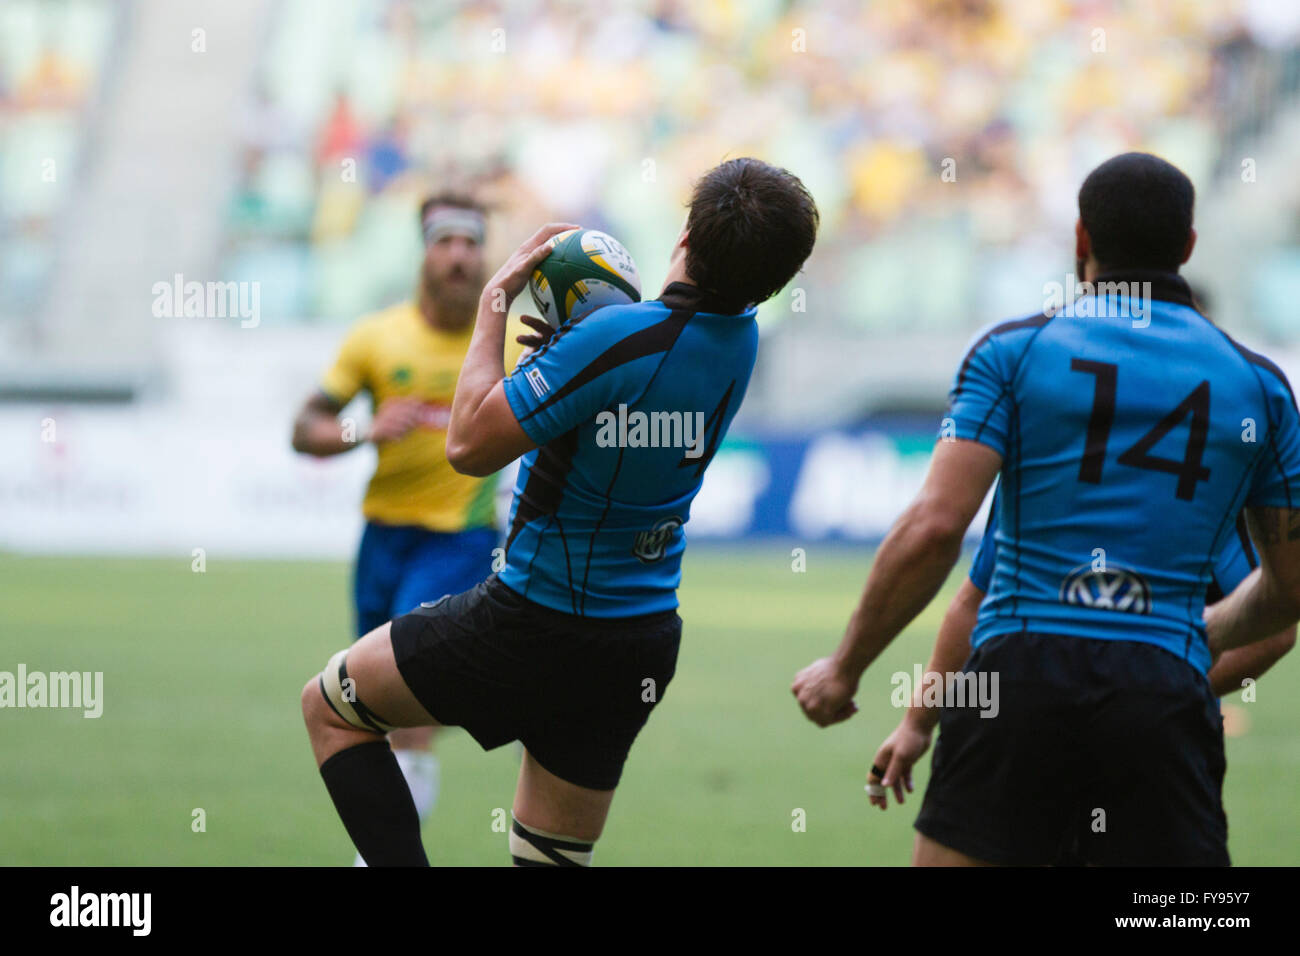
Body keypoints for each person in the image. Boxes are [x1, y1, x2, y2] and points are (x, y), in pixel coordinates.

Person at [300, 157, 819, 866]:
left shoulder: (614, 339)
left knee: (332, 707)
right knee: (546, 859)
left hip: (537, 618)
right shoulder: (742, 339)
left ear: (687, 237)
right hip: (638, 639)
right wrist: (566, 361)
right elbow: (623, 400)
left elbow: (468, 445)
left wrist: (495, 302)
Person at [793, 152, 1300, 866]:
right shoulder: (1260, 387)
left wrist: (847, 668)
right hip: (1163, 693)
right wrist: (1188, 634)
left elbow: (937, 528)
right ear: (1188, 247)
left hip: (1016, 678)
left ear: (1081, 239)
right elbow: (1290, 592)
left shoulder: (1015, 353)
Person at [865, 485, 1295, 859]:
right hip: (1152, 731)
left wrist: (916, 721)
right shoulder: (1208, 469)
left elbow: (969, 600)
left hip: (1030, 715)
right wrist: (1166, 680)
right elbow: (1276, 625)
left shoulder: (1039, 443)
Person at [291, 193, 520, 863]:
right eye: (445, 242)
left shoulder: (507, 342)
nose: (458, 256)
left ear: (485, 255)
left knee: (404, 709)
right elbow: (304, 428)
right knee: (365, 704)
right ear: (424, 252)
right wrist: (364, 427)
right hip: (383, 539)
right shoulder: (376, 338)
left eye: (470, 244)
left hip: (460, 540)